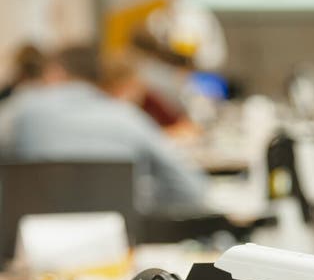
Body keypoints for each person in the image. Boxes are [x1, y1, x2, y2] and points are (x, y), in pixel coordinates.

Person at [0, 45, 205, 211]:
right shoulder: (127, 117)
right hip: (116, 251)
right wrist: (136, 195)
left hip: (29, 249)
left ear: (56, 72)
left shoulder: (19, 110)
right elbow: (191, 189)